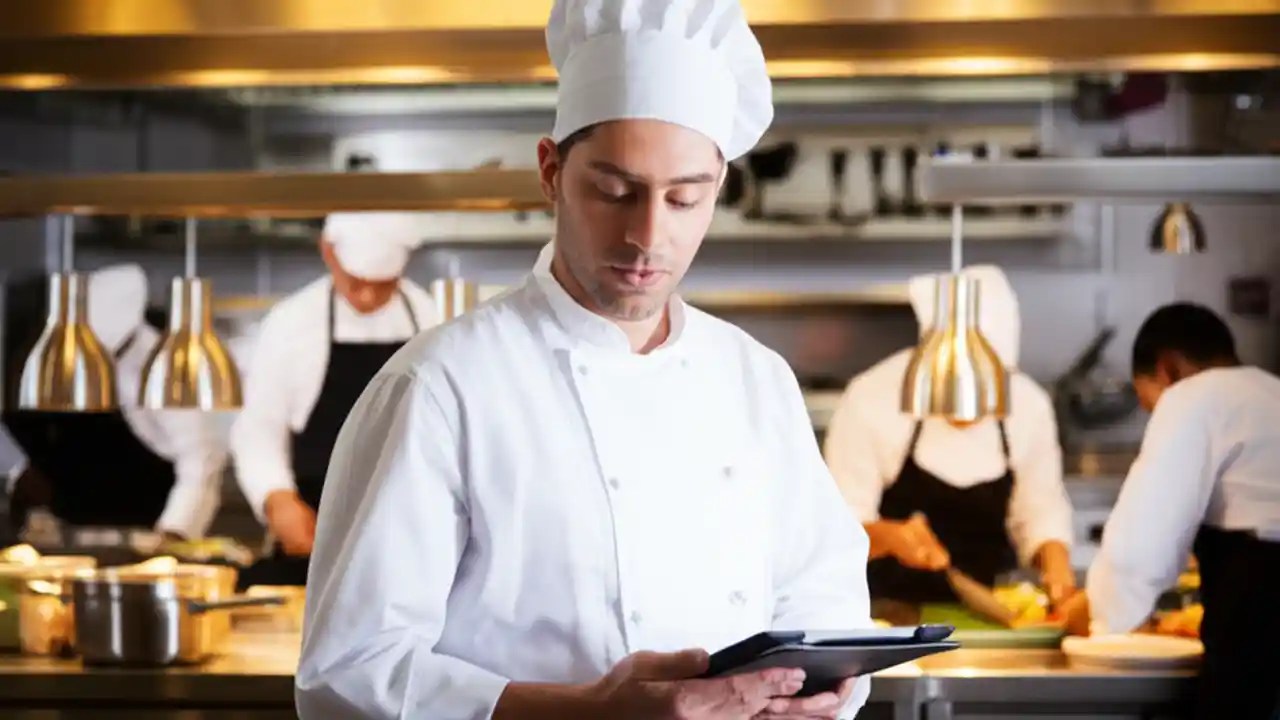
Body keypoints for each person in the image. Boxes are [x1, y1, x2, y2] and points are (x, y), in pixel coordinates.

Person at [294, 2, 874, 719]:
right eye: (614, 192)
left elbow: (824, 594)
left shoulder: (754, 379)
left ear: (716, 190)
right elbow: (347, 674)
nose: (648, 237)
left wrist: (818, 695)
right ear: (551, 171)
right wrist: (582, 711)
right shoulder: (443, 385)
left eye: (685, 199)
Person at [1066, 303, 1280, 719]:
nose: (1155, 417)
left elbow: (1142, 543)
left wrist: (1104, 618)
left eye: (1151, 405)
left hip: (1261, 616)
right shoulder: (1272, 391)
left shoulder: (1193, 395)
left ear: (1169, 369)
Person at [824, 265, 1076, 608]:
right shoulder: (871, 398)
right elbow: (834, 533)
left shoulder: (1028, 405)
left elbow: (1040, 514)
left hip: (991, 613)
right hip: (885, 613)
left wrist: (1056, 570)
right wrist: (892, 537)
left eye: (986, 382)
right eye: (957, 381)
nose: (969, 405)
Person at [230, 212, 438, 588]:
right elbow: (258, 429)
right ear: (328, 253)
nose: (368, 297)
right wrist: (276, 498)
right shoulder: (292, 322)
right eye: (356, 282)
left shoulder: (430, 317)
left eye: (384, 285)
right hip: (315, 532)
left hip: (411, 536)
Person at [3, 263, 227, 540]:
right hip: (69, 533)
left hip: (146, 533)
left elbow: (202, 457)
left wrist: (175, 533)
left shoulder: (165, 368)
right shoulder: (59, 364)